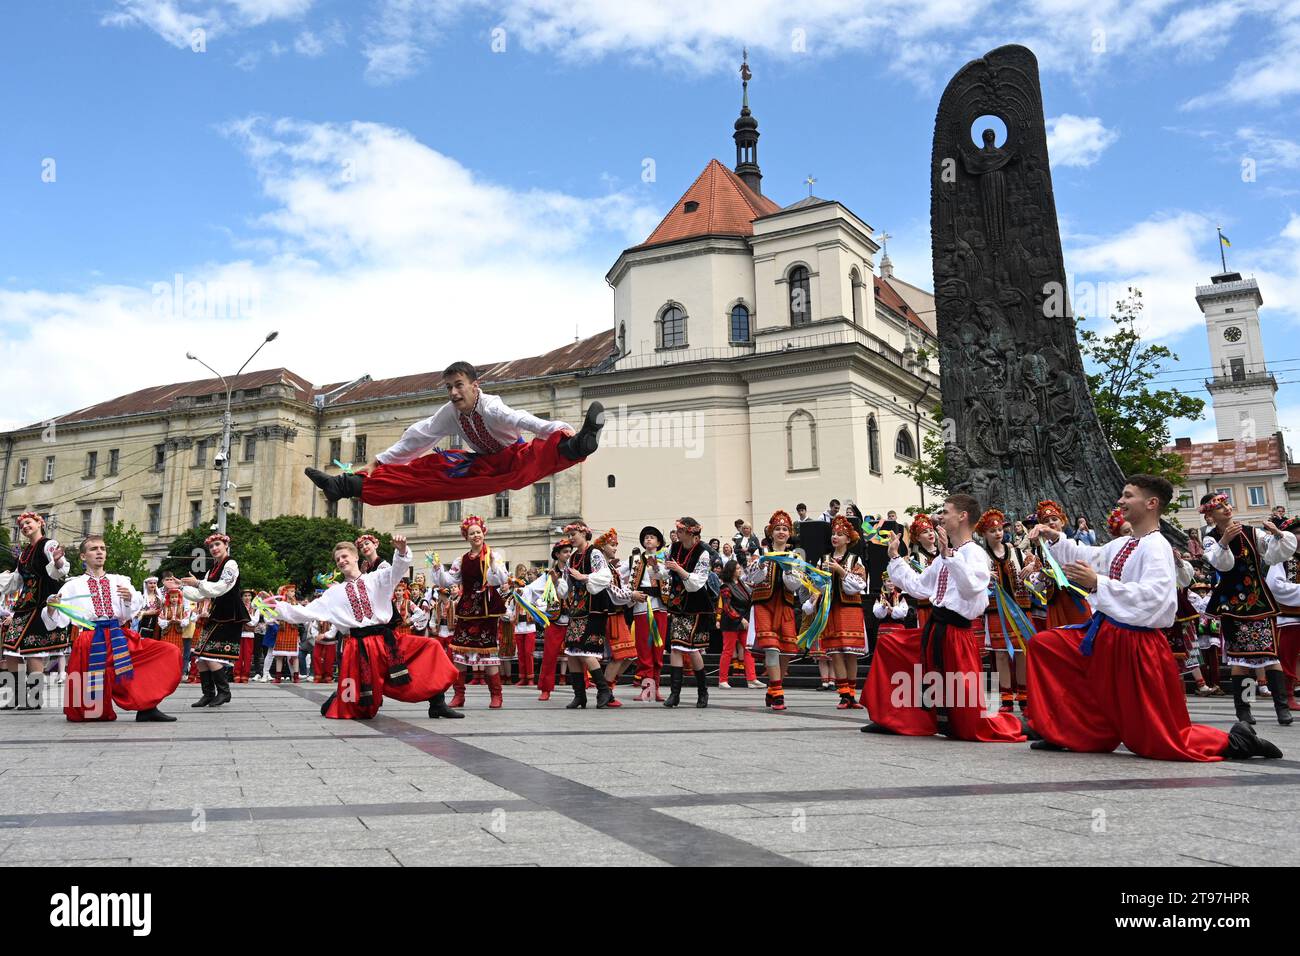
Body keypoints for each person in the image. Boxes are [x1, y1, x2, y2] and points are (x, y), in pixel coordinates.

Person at [1024, 476, 1281, 761]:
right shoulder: (1126, 543)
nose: (1120, 501)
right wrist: (1055, 536)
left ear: (1151, 503)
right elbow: (1090, 555)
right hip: (1106, 634)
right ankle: (1070, 730)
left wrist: (1098, 582)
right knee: (1046, 645)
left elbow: (1157, 600)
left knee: (1160, 740)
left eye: (1127, 495)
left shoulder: (1156, 546)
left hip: (1136, 644)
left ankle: (1237, 742)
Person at [305, 361, 604, 505]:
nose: (453, 392)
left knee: (535, 454)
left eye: (459, 385)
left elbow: (525, 420)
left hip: (512, 459)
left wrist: (560, 429)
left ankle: (579, 445)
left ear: (475, 385)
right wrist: (378, 461)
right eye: (449, 387)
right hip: (477, 464)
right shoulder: (449, 412)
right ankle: (342, 485)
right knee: (427, 469)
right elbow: (418, 436)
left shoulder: (492, 408)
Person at [861, 494, 1026, 743]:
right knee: (890, 645)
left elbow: (972, 586)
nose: (941, 516)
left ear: (962, 516)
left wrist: (949, 556)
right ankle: (891, 716)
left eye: (946, 511)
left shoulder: (975, 554)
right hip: (936, 630)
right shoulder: (944, 556)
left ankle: (1017, 725)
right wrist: (895, 557)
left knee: (970, 725)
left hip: (957, 635)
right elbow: (918, 586)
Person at [271, 535, 461, 720]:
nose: (341, 561)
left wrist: (401, 550)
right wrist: (274, 608)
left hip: (387, 641)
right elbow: (305, 612)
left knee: (430, 647)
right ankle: (338, 698)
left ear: (355, 557)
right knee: (361, 710)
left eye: (345, 556)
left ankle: (437, 704)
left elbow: (398, 569)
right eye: (338, 559)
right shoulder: (334, 593)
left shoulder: (376, 578)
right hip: (360, 647)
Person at [43, 535, 180, 723]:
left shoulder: (120, 580)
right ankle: (95, 708)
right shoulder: (72, 586)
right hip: (91, 637)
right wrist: (52, 606)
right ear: (83, 556)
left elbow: (132, 611)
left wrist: (129, 599)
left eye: (102, 548)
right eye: (93, 549)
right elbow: (57, 619)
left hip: (118, 635)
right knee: (89, 711)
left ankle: (147, 707)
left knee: (166, 651)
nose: (99, 552)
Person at [1200, 491, 1297, 725]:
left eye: (1226, 503)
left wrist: (1276, 535)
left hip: (1259, 601)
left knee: (1270, 655)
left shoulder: (1252, 531)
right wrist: (1224, 542)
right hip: (1232, 604)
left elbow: (1273, 553)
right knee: (1239, 660)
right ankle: (1245, 710)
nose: (1226, 508)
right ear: (1210, 515)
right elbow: (1220, 563)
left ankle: (1281, 707)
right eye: (1219, 506)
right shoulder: (1211, 538)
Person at [433, 515, 510, 710]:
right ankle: (459, 695)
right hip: (467, 610)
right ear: (466, 537)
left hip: (487, 610)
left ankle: (496, 696)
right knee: (459, 652)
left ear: (483, 532)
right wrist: (437, 569)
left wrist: (492, 563)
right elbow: (448, 581)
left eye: (478, 532)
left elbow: (498, 580)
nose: (476, 535)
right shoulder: (462, 559)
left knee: (489, 652)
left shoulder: (493, 555)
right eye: (471, 533)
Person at [1, 512, 70, 710]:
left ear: (40, 523)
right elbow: (17, 579)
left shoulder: (48, 544)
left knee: (34, 650)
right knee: (10, 650)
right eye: (22, 525)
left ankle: (34, 697)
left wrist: (57, 561)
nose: (24, 527)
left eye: (28, 523)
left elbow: (59, 570)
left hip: (42, 603)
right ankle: (16, 695)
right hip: (24, 604)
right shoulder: (24, 553)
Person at [804, 515, 868, 710]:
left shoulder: (856, 560)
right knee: (836, 653)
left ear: (848, 539)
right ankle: (844, 694)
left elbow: (859, 585)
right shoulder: (823, 560)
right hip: (830, 610)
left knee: (851, 653)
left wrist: (840, 570)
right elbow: (815, 585)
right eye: (834, 534)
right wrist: (816, 589)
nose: (835, 537)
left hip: (850, 610)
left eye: (840, 534)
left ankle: (852, 693)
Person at [180, 533, 248, 709]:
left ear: (226, 545)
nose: (214, 548)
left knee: (209, 655)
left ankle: (224, 692)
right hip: (216, 614)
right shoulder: (213, 568)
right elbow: (201, 593)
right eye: (211, 547)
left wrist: (197, 584)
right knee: (201, 656)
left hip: (229, 614)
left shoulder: (231, 564)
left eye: (217, 544)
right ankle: (208, 694)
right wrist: (181, 587)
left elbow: (222, 587)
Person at [975, 509, 1033, 714]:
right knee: (1000, 654)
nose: (998, 533)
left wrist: (1032, 565)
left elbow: (1033, 566)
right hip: (995, 611)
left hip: (1019, 607)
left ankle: (1024, 697)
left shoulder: (1016, 551)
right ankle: (1006, 697)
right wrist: (984, 576)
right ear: (984, 534)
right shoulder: (982, 557)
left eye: (999, 529)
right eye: (992, 530)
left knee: (1021, 652)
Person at [745, 510, 802, 711]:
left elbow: (795, 586)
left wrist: (788, 570)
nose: (781, 532)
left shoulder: (794, 557)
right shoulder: (760, 553)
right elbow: (750, 578)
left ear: (789, 533)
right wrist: (762, 565)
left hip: (785, 605)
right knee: (771, 648)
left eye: (785, 529)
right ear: (771, 532)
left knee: (786, 651)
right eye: (777, 528)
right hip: (764, 604)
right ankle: (778, 694)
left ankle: (772, 688)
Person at [560, 522, 618, 709]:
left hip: (593, 608)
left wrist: (584, 577)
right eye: (569, 535)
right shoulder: (572, 558)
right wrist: (556, 583)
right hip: (577, 609)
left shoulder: (594, 553)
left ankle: (604, 691)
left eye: (574, 534)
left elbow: (605, 577)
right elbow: (566, 585)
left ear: (584, 533)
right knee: (571, 652)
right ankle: (580, 695)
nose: (571, 538)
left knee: (585, 651)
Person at [661, 517, 712, 709]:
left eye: (680, 530)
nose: (677, 533)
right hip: (677, 604)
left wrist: (679, 569)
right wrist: (658, 569)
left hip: (696, 605)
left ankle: (702, 691)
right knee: (676, 646)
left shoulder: (703, 553)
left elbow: (697, 583)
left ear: (691, 533)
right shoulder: (673, 548)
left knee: (692, 648)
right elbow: (667, 573)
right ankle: (675, 694)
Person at [588, 529, 636, 706]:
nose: (615, 548)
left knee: (629, 655)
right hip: (611, 614)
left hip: (618, 613)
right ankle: (607, 692)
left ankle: (608, 690)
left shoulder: (612, 567)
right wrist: (631, 596)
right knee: (620, 655)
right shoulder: (602, 568)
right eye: (612, 545)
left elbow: (620, 589)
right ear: (602, 547)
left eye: (616, 544)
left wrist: (632, 595)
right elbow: (611, 590)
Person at [627, 527, 668, 702]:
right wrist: (630, 595)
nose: (648, 540)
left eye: (652, 537)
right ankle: (646, 688)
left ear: (658, 542)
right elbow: (626, 580)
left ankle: (656, 688)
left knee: (658, 648)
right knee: (644, 648)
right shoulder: (635, 560)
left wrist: (656, 567)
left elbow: (667, 579)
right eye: (646, 538)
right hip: (641, 606)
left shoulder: (665, 558)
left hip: (660, 606)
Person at [536, 539, 573, 702]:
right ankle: (545, 689)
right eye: (565, 552)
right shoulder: (548, 574)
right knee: (549, 655)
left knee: (578, 655)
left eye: (569, 551)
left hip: (574, 618)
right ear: (557, 555)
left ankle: (583, 686)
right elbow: (535, 590)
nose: (568, 554)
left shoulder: (576, 570)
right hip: (555, 618)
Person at [717, 560, 758, 689]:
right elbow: (727, 607)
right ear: (732, 571)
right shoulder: (725, 586)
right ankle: (722, 679)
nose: (740, 570)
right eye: (738, 568)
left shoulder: (742, 584)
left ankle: (752, 679)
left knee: (748, 649)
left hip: (743, 621)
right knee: (728, 650)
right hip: (731, 622)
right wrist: (740, 618)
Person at [262, 585, 304, 683]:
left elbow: (302, 616)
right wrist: (276, 620)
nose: (293, 593)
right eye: (291, 591)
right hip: (282, 630)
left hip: (293, 631)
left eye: (293, 591)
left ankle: (296, 676)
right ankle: (278, 677)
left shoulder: (296, 605)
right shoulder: (281, 604)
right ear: (285, 592)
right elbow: (271, 614)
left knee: (294, 656)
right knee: (279, 656)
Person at [155, 573, 193, 679]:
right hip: (168, 632)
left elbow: (186, 619)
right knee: (166, 651)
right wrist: (168, 621)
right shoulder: (166, 608)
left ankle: (176, 673)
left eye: (176, 597)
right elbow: (160, 620)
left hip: (177, 632)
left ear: (179, 597)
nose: (174, 599)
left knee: (178, 652)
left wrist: (179, 621)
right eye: (172, 597)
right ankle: (165, 672)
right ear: (169, 598)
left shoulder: (182, 607)